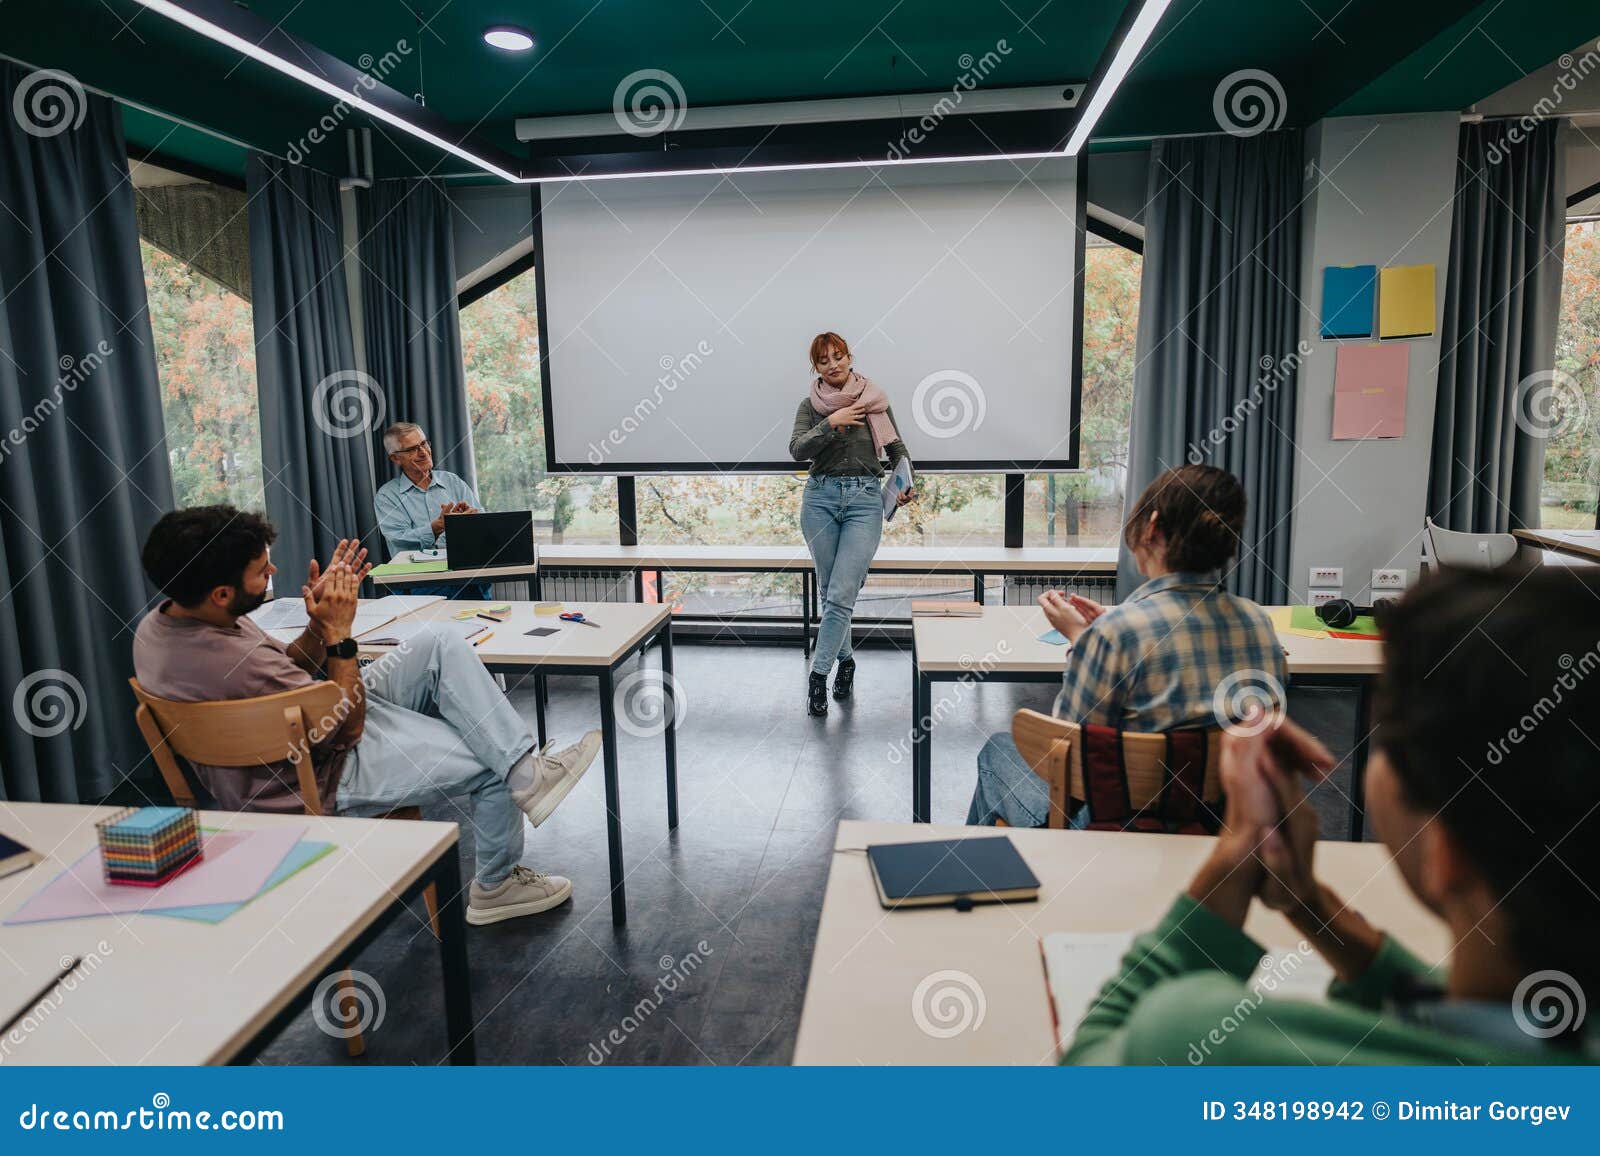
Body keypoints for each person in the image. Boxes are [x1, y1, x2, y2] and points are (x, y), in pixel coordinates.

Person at [1066, 565, 1600, 1064]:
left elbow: (1085, 1085)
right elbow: (1485, 1031)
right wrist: (1312, 906)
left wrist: (1235, 855)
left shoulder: (1199, 1041)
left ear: (1447, 850)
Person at [133, 505, 602, 926]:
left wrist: (317, 626)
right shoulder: (235, 663)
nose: (273, 570)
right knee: (491, 757)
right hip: (316, 772)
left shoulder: (163, 625)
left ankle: (527, 774)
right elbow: (348, 723)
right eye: (261, 570)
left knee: (438, 641)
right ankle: (496, 884)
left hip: (308, 724)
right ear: (220, 592)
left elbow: (294, 670)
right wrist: (339, 633)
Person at [968, 464, 1285, 828]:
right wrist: (1113, 626)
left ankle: (1001, 874)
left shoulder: (1114, 636)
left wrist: (1082, 641)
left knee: (997, 751)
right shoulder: (1258, 623)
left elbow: (1070, 758)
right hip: (1220, 825)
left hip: (1117, 825)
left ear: (1150, 527)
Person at [789, 332, 915, 717]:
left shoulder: (874, 400)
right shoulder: (810, 406)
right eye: (824, 360)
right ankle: (846, 662)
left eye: (838, 356)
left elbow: (897, 451)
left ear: (849, 357)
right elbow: (797, 451)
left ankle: (818, 675)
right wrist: (832, 423)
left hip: (864, 500)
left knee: (842, 592)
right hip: (819, 500)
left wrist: (906, 483)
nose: (833, 364)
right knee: (831, 593)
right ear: (817, 368)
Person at [374, 421, 491, 600]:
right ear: (395, 458)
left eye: (424, 443)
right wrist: (436, 527)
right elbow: (399, 540)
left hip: (466, 578)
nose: (423, 452)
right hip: (420, 585)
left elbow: (483, 525)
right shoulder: (387, 496)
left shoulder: (453, 482)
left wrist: (468, 521)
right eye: (412, 449)